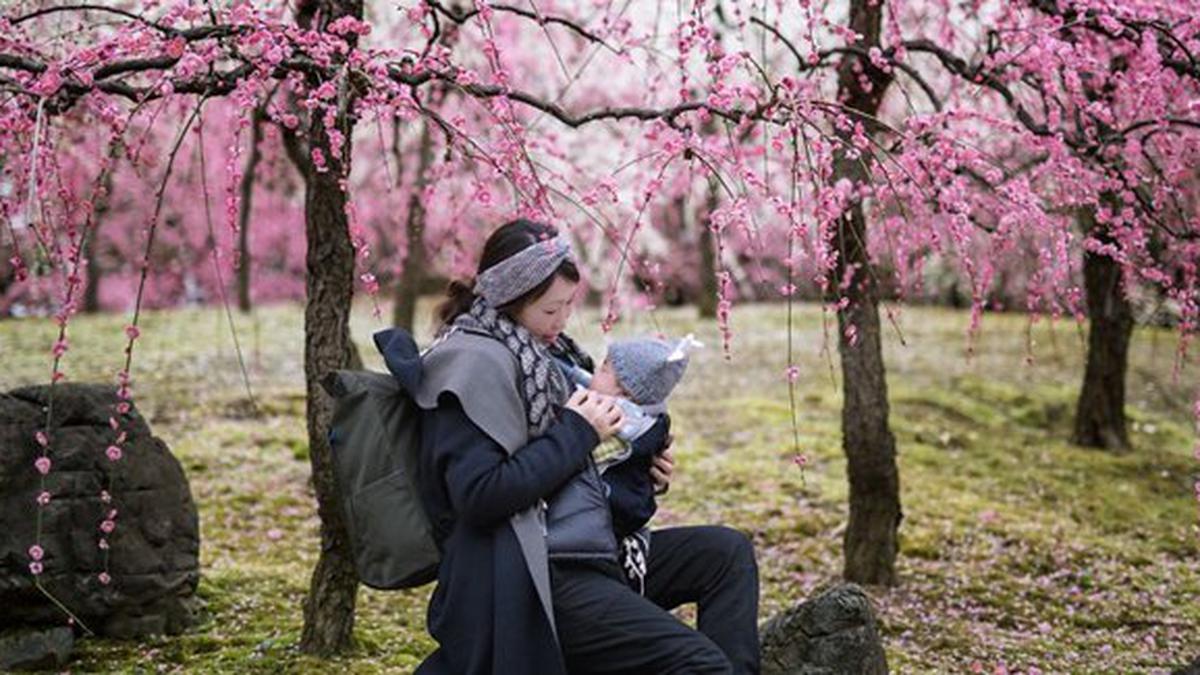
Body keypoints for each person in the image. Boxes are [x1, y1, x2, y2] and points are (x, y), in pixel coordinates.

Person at [410, 219, 760, 674]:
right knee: (700, 664)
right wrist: (580, 431)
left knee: (725, 554)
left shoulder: (549, 358)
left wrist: (632, 466)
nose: (562, 322)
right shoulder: (471, 364)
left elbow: (575, 475)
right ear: (510, 300)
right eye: (550, 310)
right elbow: (480, 496)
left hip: (590, 551)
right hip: (532, 577)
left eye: (568, 306)